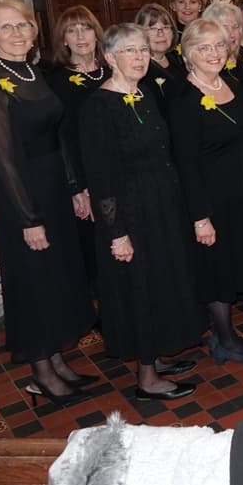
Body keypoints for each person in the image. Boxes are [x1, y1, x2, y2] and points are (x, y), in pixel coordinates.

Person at [0, 0, 96, 406]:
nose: (15, 33)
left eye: (22, 24)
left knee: (58, 276)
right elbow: (1, 160)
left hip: (56, 190)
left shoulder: (33, 70)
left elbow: (60, 134)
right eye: (4, 27)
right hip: (21, 196)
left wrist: (76, 185)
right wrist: (28, 219)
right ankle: (41, 371)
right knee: (35, 282)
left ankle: (57, 359)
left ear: (34, 28)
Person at [80, 23, 205, 401]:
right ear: (109, 57)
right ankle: (146, 378)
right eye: (130, 51)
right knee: (141, 289)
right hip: (130, 212)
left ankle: (158, 356)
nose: (139, 58)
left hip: (162, 206)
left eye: (144, 50)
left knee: (165, 282)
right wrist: (117, 233)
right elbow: (101, 177)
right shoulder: (97, 106)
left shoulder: (146, 92)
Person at [167, 19, 243, 358]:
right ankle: (225, 341)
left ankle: (225, 331)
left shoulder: (233, 85)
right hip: (212, 199)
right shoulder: (184, 98)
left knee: (231, 263)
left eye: (218, 45)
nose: (214, 53)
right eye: (204, 47)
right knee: (216, 268)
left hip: (242, 194)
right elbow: (184, 163)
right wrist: (200, 217)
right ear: (188, 54)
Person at [45, 5, 106, 288]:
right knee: (98, 252)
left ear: (97, 33)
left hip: (124, 168)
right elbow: (61, 137)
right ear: (63, 39)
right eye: (72, 30)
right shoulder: (56, 82)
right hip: (85, 174)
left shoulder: (113, 70)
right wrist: (77, 187)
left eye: (86, 27)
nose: (81, 35)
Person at [135, 3, 185, 95]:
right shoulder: (139, 68)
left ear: (173, 31)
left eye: (165, 27)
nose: (160, 33)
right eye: (152, 28)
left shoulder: (178, 57)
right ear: (140, 33)